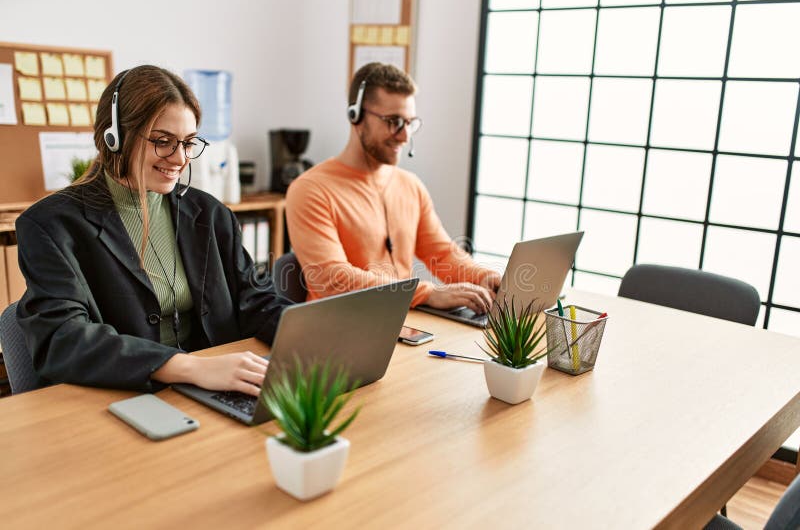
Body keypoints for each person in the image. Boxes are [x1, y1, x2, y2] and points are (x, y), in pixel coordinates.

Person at [15, 65, 291, 396]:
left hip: (211, 390)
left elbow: (255, 299)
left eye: (189, 143)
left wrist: (313, 336)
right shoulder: (50, 225)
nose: (180, 158)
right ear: (114, 137)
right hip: (119, 395)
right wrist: (191, 368)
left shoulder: (210, 214)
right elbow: (64, 339)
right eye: (163, 142)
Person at [286, 62, 501, 313]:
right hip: (340, 332)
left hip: (404, 325)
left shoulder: (410, 185)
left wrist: (483, 277)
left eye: (409, 122)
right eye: (394, 121)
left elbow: (442, 255)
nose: (404, 135)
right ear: (355, 116)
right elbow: (332, 280)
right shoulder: (311, 189)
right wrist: (427, 293)